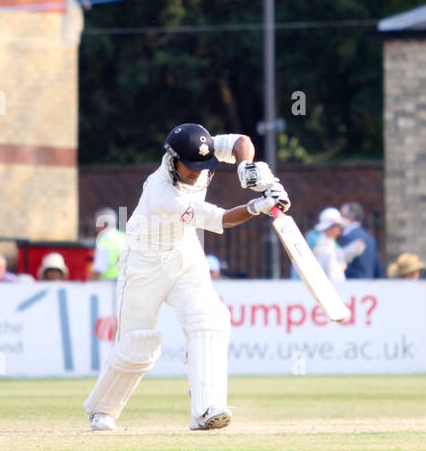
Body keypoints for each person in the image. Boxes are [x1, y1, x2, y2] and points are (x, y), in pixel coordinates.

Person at [84, 123, 289, 432]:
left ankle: (206, 410)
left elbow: (241, 141)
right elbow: (221, 219)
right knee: (138, 344)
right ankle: (102, 410)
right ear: (173, 158)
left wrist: (248, 167)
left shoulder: (201, 148)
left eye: (202, 165)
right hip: (144, 262)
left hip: (185, 253)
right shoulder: (162, 193)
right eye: (190, 166)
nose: (197, 171)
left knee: (210, 320)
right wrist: (258, 205)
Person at [310, 207, 365, 282]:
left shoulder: (331, 243)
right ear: (330, 227)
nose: (339, 232)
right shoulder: (320, 245)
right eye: (338, 227)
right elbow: (332, 270)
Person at [339, 201, 385, 279]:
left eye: (342, 216)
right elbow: (377, 265)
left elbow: (345, 265)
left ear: (351, 217)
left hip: (352, 285)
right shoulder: (369, 237)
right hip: (369, 283)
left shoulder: (349, 236)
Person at [88, 207, 126, 280]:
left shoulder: (104, 240)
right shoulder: (124, 237)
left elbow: (99, 269)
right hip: (126, 283)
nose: (96, 227)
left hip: (109, 284)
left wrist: (88, 285)